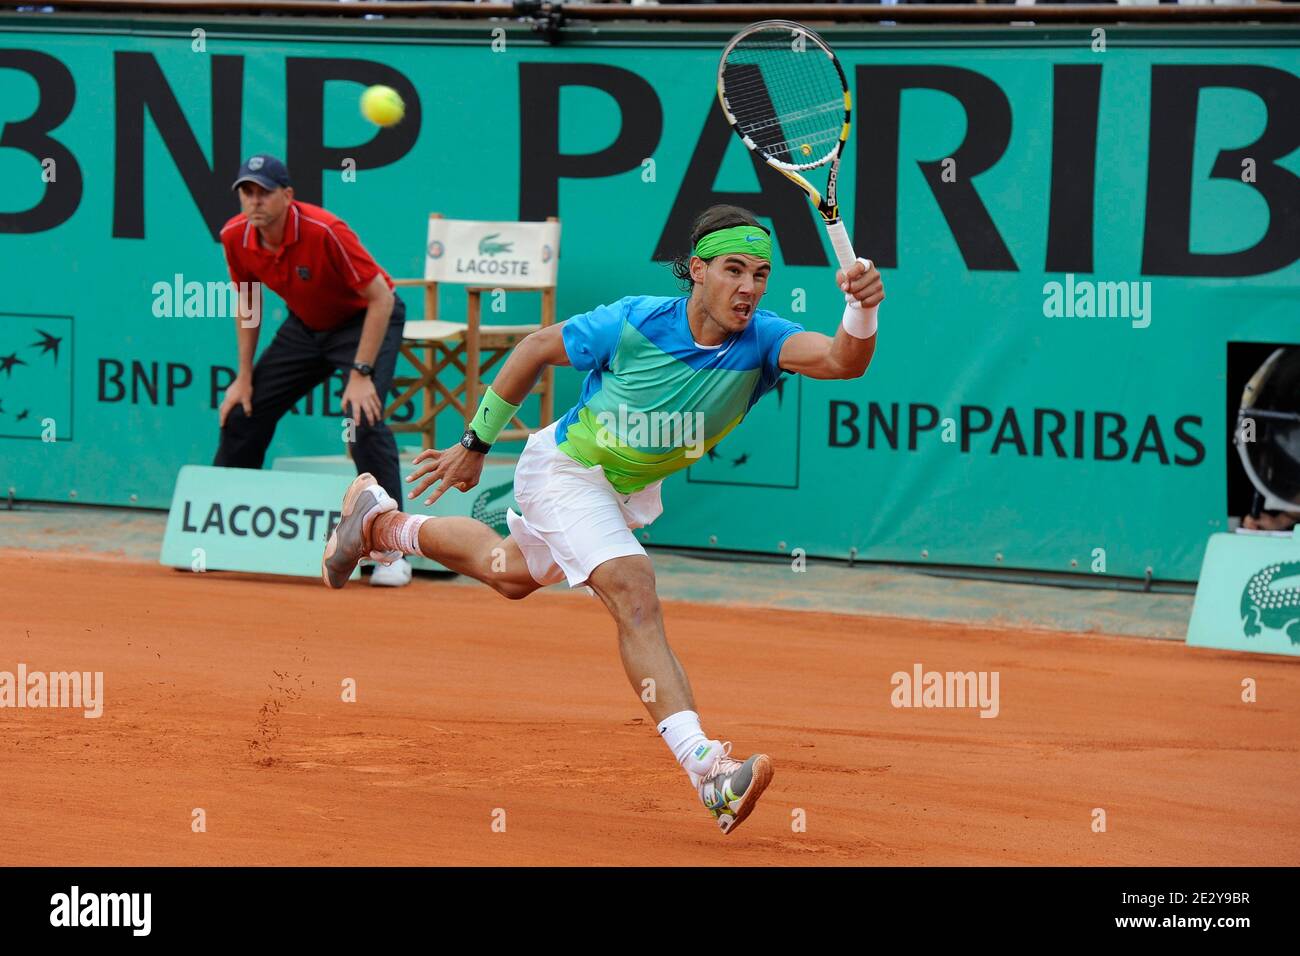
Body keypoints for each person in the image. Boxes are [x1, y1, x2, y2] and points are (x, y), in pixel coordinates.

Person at [321, 204, 884, 832]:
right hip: (566, 470)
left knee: (508, 572)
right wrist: (476, 443)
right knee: (633, 590)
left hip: (619, 492)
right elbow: (534, 347)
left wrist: (862, 308)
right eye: (732, 270)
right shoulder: (633, 321)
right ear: (697, 270)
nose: (748, 288)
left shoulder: (767, 341)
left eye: (760, 274)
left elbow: (843, 360)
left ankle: (380, 526)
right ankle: (709, 772)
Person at [216, 154, 412, 586]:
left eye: (264, 192)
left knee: (362, 419)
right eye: (247, 192)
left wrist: (360, 373)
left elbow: (381, 298)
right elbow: (248, 302)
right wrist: (244, 377)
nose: (254, 201)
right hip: (306, 326)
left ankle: (389, 550)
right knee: (244, 410)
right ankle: (220, 531)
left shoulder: (325, 231)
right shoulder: (235, 236)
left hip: (364, 320)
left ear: (287, 196)